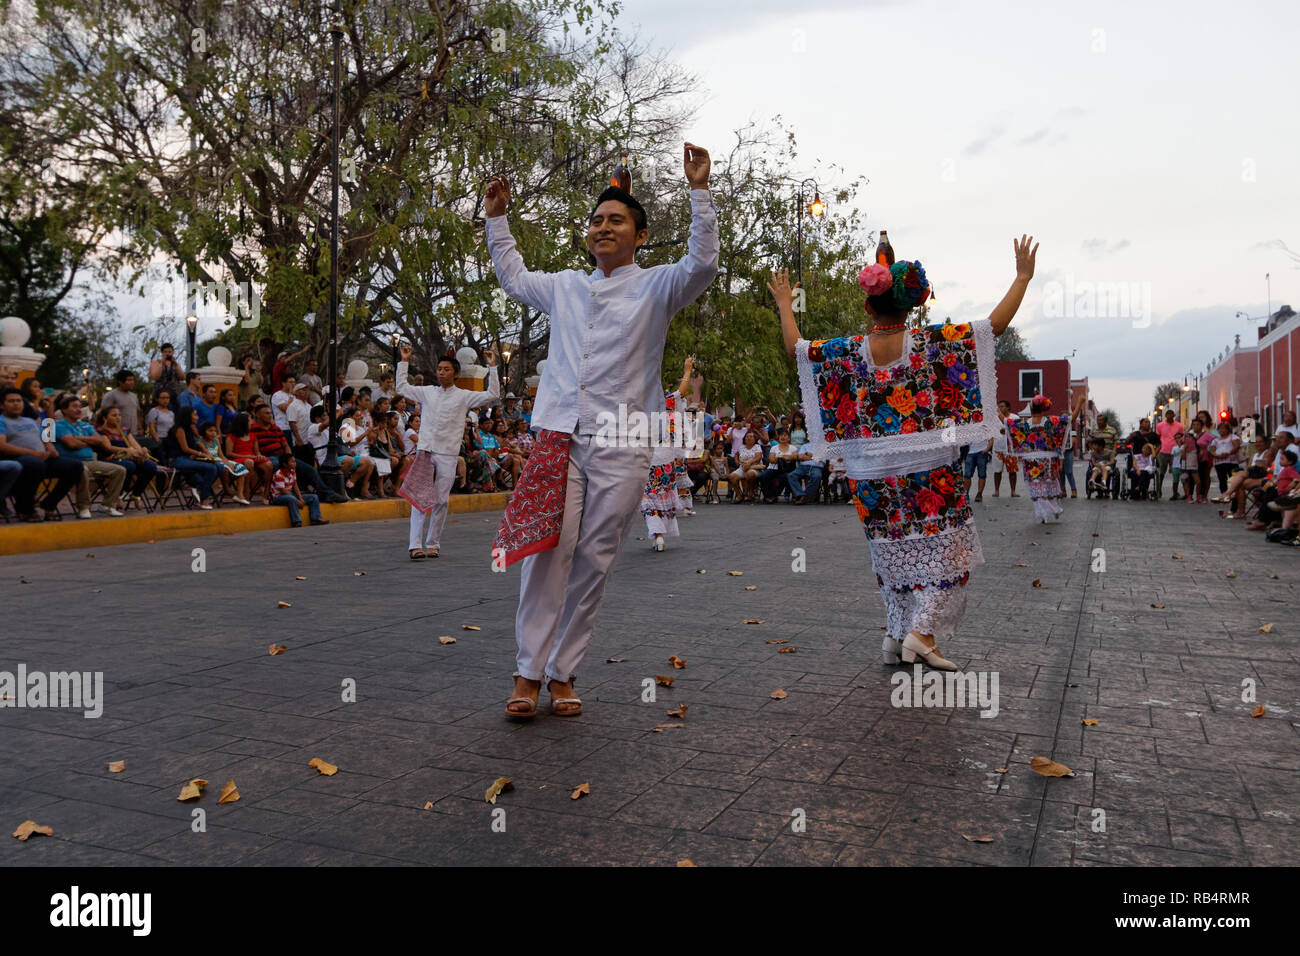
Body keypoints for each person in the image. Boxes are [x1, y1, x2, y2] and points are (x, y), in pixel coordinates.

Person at [485, 142, 718, 720]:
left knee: (595, 555)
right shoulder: (565, 286)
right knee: (550, 549)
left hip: (625, 436)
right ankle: (526, 672)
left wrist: (699, 190)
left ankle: (563, 672)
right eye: (595, 220)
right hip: (559, 433)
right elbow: (513, 276)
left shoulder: (659, 285)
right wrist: (496, 217)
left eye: (615, 220)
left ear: (639, 236)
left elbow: (704, 264)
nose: (602, 227)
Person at [770, 233, 1038, 671]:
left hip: (868, 476)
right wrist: (1022, 278)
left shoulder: (847, 353)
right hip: (927, 469)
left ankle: (897, 638)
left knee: (890, 555)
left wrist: (785, 302)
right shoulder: (931, 344)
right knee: (950, 552)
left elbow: (797, 350)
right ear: (913, 305)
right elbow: (992, 328)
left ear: (867, 306)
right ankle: (922, 633)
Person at [394, 345, 500, 556]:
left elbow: (493, 393)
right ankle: (415, 545)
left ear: (456, 373)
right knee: (419, 496)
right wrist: (404, 360)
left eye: (446, 369)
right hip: (425, 450)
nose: (441, 372)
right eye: (439, 369)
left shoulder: (464, 396)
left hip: (448, 453)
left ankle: (433, 544)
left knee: (441, 500)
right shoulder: (427, 392)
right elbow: (401, 387)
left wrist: (493, 366)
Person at [0, 387, 84, 520]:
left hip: (42, 459)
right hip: (19, 459)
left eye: (19, 401)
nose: (16, 404)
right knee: (35, 465)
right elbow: (2, 446)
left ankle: (49, 504)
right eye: (11, 401)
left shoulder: (31, 421)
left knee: (76, 466)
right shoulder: (2, 421)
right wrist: (32, 453)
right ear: (2, 405)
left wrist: (51, 449)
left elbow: (45, 437)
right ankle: (25, 509)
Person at [640, 357, 695, 549]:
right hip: (667, 458)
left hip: (647, 457)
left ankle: (657, 534)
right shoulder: (668, 401)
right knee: (664, 493)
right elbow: (683, 389)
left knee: (648, 497)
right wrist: (687, 369)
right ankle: (660, 532)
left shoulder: (639, 407)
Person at [53, 395, 127, 519]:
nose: (79, 410)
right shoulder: (58, 425)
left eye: (80, 407)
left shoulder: (86, 425)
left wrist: (77, 438)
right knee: (82, 470)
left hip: (91, 462)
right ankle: (84, 507)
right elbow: (71, 444)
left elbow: (99, 441)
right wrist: (88, 441)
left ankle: (108, 505)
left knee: (120, 470)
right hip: (71, 463)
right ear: (64, 410)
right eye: (74, 407)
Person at [1007, 395, 1067, 522]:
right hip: (1048, 459)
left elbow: (1007, 423)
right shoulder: (1052, 421)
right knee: (1048, 484)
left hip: (1031, 460)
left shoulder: (1024, 423)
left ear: (1031, 407)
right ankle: (1054, 508)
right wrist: (1079, 403)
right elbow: (1069, 420)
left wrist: (997, 411)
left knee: (1036, 485)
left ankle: (1044, 512)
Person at [94, 406, 158, 507]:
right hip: (110, 460)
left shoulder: (124, 431)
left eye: (119, 415)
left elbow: (134, 444)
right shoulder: (101, 431)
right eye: (114, 415)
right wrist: (128, 450)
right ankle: (119, 495)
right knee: (129, 465)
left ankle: (136, 494)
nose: (118, 417)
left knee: (150, 466)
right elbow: (108, 447)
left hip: (127, 459)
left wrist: (141, 451)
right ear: (105, 418)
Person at [162, 406, 219, 509]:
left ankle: (199, 488)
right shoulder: (179, 429)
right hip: (178, 459)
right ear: (187, 416)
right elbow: (185, 449)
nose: (197, 417)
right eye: (195, 414)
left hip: (188, 459)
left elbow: (197, 442)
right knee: (211, 468)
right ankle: (203, 499)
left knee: (218, 466)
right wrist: (202, 455)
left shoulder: (189, 428)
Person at [225, 411, 274, 504]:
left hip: (251, 457)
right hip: (237, 459)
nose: (251, 423)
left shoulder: (253, 435)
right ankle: (246, 492)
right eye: (249, 421)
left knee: (268, 465)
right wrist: (247, 456)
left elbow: (257, 451)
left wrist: (259, 455)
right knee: (248, 462)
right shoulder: (231, 436)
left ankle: (266, 493)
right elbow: (229, 453)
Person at [270, 453, 330, 528]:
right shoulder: (279, 474)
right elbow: (283, 491)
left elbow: (295, 486)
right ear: (285, 464)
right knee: (291, 499)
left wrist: (300, 498)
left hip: (290, 495)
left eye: (294, 461)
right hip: (279, 497)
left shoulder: (292, 472)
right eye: (292, 462)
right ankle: (296, 521)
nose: (295, 463)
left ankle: (316, 518)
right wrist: (297, 500)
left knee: (314, 497)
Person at [99, 370, 143, 437]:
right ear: (120, 381)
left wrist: (140, 428)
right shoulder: (111, 395)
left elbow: (137, 413)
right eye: (129, 380)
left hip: (134, 433)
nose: (132, 382)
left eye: (132, 380)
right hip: (117, 434)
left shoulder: (134, 396)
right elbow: (103, 413)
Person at [761, 427, 800, 502]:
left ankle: (776, 495)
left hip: (787, 469)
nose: (783, 437)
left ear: (789, 438)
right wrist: (785, 457)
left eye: (785, 435)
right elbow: (772, 460)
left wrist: (780, 457)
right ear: (778, 437)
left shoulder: (793, 448)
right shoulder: (774, 448)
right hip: (773, 468)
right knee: (764, 476)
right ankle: (768, 496)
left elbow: (795, 456)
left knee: (785, 477)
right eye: (781, 435)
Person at [991, 399, 1019, 498]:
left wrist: (1005, 430)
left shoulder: (1015, 417)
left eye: (1002, 406)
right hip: (998, 447)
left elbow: (1013, 428)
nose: (1000, 408)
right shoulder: (995, 419)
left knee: (1012, 471)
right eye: (999, 406)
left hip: (1011, 448)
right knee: (997, 471)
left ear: (1008, 407)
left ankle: (1013, 491)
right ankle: (996, 490)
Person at [1208, 421, 1242, 500]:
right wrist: (1217, 455)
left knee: (1233, 478)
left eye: (1224, 429)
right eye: (1220, 429)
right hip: (1219, 462)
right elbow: (1212, 450)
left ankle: (1233, 494)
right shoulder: (1215, 440)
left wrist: (1228, 453)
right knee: (1222, 479)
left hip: (1231, 461)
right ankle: (1224, 494)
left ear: (1228, 429)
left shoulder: (1233, 437)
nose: (1222, 430)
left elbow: (1236, 446)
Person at [728, 430, 764, 502]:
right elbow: (736, 454)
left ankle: (750, 492)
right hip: (743, 467)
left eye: (751, 437)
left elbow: (758, 457)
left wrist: (749, 462)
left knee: (749, 474)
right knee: (731, 476)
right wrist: (737, 461)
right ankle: (739, 495)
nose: (749, 438)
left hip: (755, 467)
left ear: (754, 439)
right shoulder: (742, 447)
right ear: (744, 439)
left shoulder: (757, 446)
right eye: (747, 437)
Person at [1153, 408, 1181, 500]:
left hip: (1176, 452)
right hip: (1163, 451)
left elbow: (1182, 437)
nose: (1169, 416)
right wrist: (1157, 450)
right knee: (1162, 472)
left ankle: (1175, 492)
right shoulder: (1160, 425)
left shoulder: (1179, 426)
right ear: (1165, 416)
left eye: (1171, 415)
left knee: (1175, 472)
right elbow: (1157, 438)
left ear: (1174, 416)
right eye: (1167, 415)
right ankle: (1159, 489)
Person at [787, 439, 824, 504]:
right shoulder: (805, 446)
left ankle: (805, 497)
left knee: (817, 476)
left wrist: (808, 455)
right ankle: (801, 495)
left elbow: (823, 458)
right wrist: (814, 456)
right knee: (791, 475)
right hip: (803, 467)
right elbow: (800, 457)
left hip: (816, 467)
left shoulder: (823, 446)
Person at [144, 389, 175, 457]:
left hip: (169, 439)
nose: (165, 400)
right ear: (157, 399)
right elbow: (151, 427)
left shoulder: (171, 413)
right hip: (159, 438)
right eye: (163, 398)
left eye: (167, 398)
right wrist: (157, 440)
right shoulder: (154, 411)